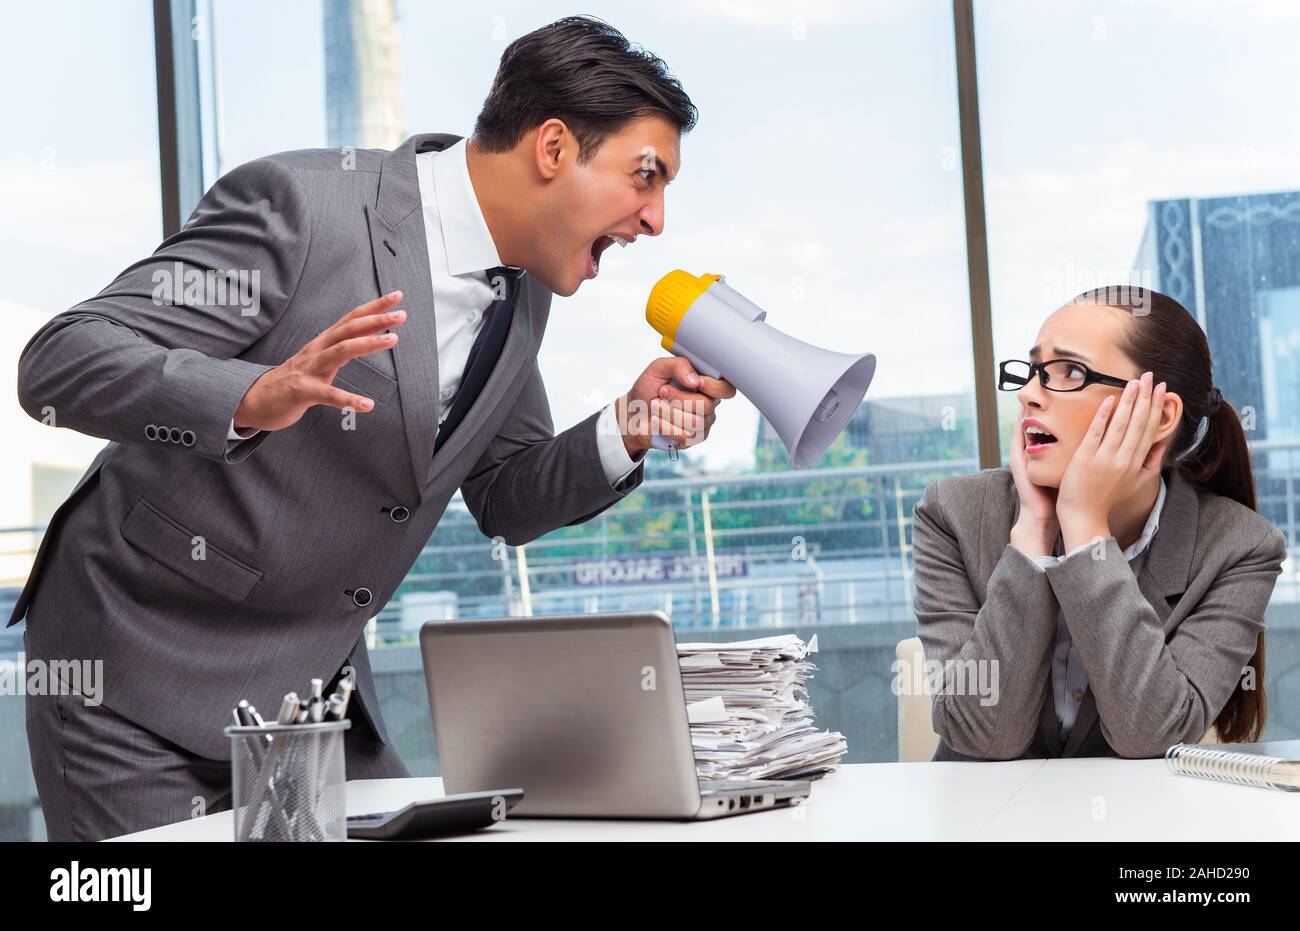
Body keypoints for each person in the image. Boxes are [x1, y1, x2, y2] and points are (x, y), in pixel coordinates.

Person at [12, 15, 733, 840]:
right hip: (132, 679)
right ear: (555, 147)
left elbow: (504, 495)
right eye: (646, 177)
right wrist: (252, 392)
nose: (656, 219)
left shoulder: (522, 289)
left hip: (309, 701)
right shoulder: (301, 208)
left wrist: (628, 425)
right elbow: (61, 359)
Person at [912, 287, 1287, 760]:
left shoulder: (1241, 548)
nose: (1028, 394)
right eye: (1032, 371)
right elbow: (982, 736)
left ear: (1160, 414)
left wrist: (1086, 525)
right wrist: (1033, 532)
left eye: (1069, 371)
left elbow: (1151, 735)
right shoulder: (951, 514)